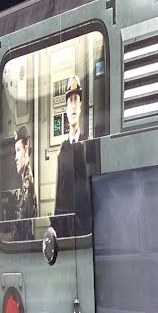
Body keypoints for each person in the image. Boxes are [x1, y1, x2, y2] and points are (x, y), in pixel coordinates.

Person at [52, 77, 96, 236]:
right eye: (70, 101)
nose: (73, 106)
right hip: (66, 228)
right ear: (66, 107)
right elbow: (59, 193)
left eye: (76, 99)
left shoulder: (89, 145)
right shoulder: (63, 150)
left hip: (85, 227)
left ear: (81, 104)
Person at [3, 124, 36, 241]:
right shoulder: (24, 181)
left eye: (18, 150)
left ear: (26, 149)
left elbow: (22, 228)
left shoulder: (28, 184)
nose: (15, 158)